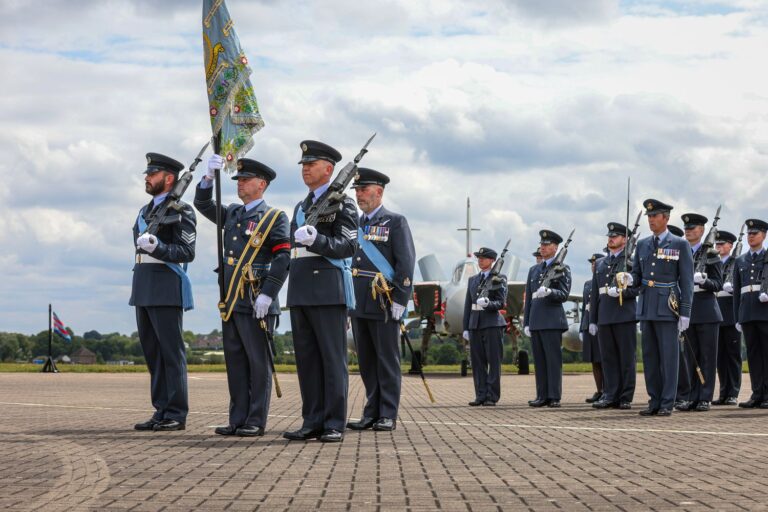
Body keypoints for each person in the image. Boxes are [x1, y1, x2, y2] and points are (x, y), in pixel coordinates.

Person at [194, 155, 290, 436]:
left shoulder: (274, 217)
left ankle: (255, 420)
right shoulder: (235, 213)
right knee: (235, 363)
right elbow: (203, 205)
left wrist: (269, 294)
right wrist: (208, 179)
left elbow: (283, 257)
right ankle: (237, 419)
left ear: (261, 184)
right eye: (238, 180)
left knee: (258, 365)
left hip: (257, 299)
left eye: (246, 180)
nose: (240, 184)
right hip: (232, 299)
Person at [283, 140, 358, 443]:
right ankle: (311, 420)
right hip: (300, 288)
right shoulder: (301, 207)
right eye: (303, 164)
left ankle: (333, 422)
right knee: (307, 361)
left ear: (328, 169)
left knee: (331, 359)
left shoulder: (343, 203)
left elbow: (349, 246)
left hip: (328, 290)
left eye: (311, 164)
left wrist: (318, 241)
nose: (305, 169)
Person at [130, 152, 196, 432]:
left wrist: (157, 246)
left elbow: (187, 252)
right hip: (144, 285)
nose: (147, 177)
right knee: (153, 354)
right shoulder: (144, 212)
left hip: (167, 286)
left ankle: (176, 413)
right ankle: (161, 409)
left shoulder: (182, 211)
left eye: (152, 174)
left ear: (169, 179)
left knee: (171, 354)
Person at [346, 168, 415, 432]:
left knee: (386, 361)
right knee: (366, 362)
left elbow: (405, 262)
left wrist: (401, 298)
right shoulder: (355, 225)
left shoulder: (395, 222)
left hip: (384, 301)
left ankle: (387, 413)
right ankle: (371, 412)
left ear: (379, 191)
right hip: (358, 302)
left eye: (364, 190)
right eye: (357, 190)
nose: (359, 195)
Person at [624, 199, 693, 417]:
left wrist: (685, 312)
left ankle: (666, 402)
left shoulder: (679, 244)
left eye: (655, 216)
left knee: (669, 357)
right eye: (649, 217)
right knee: (651, 357)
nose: (651, 220)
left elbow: (687, 281)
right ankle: (654, 399)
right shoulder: (643, 244)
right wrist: (629, 278)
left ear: (666, 218)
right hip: (646, 306)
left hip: (667, 305)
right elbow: (638, 275)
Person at [675, 213, 723, 412]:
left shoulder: (711, 254)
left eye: (692, 228)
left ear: (702, 231)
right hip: (688, 310)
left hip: (706, 310)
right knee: (690, 357)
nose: (688, 231)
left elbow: (718, 284)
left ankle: (705, 397)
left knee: (707, 357)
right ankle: (692, 397)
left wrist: (704, 281)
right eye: (686, 228)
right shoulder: (681, 252)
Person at [589, 223, 639, 410]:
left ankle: (625, 396)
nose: (611, 238)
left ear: (625, 240)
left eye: (615, 236)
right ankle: (610, 394)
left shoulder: (631, 262)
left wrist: (621, 292)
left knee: (626, 359)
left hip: (624, 315)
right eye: (609, 236)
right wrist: (593, 319)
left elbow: (637, 289)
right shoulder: (602, 264)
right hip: (605, 316)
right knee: (608, 359)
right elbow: (595, 294)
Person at [523, 230, 572, 408]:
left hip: (552, 320)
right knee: (540, 361)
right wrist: (526, 322)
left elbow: (564, 294)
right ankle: (541, 395)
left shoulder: (562, 268)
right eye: (541, 245)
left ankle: (554, 396)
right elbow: (529, 298)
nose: (542, 248)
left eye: (546, 245)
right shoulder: (534, 270)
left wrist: (550, 292)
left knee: (552, 361)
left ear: (555, 247)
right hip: (536, 320)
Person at [462, 247, 508, 407]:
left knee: (493, 361)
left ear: (492, 260)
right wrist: (466, 328)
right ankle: (480, 394)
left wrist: (489, 304)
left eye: (484, 258)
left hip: (492, 323)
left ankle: (492, 396)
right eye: (479, 258)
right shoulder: (473, 280)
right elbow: (468, 305)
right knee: (477, 362)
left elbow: (502, 302)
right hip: (475, 324)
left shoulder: (500, 278)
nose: (480, 260)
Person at [732, 218, 768, 409]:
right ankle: (757, 393)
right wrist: (737, 316)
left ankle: (767, 394)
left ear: (764, 235)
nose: (751, 236)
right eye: (749, 233)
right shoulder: (740, 261)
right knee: (753, 355)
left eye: (755, 233)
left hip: (765, 312)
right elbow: (737, 291)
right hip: (747, 312)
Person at [713, 230, 741, 405]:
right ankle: (723, 392)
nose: (718, 247)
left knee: (732, 355)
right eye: (717, 244)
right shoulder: (713, 262)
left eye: (722, 244)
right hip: (716, 312)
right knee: (719, 356)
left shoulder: (736, 262)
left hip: (730, 313)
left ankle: (733, 393)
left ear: (730, 246)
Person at [580, 253, 605, 404]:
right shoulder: (588, 284)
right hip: (588, 323)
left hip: (600, 323)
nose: (593, 265)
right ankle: (599, 390)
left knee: (604, 360)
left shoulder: (602, 281)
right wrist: (583, 326)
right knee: (594, 361)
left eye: (596, 263)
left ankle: (608, 390)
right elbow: (585, 307)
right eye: (592, 263)